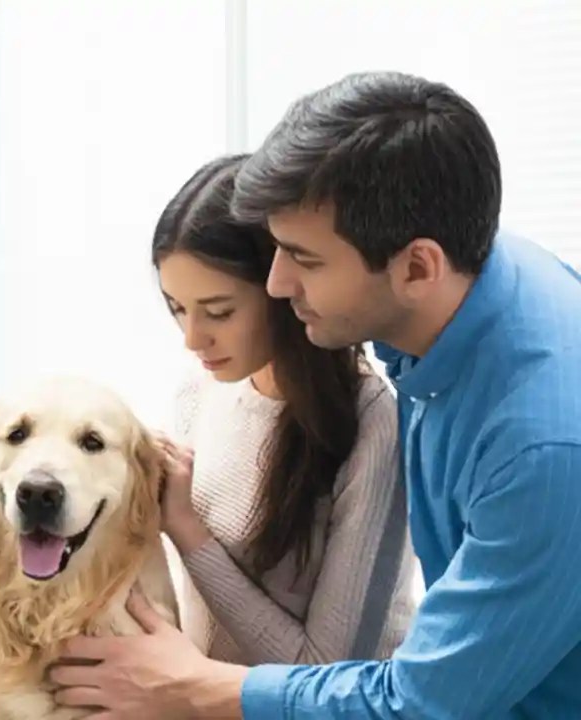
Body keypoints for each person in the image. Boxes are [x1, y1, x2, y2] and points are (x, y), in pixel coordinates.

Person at [51, 70, 581, 719]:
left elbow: (422, 702)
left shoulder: (543, 446)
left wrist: (188, 686)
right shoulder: (463, 284)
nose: (275, 283)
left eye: (304, 259)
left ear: (417, 267)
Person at [150, 152, 416, 668]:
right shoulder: (197, 393)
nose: (192, 338)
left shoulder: (372, 421)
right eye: (177, 308)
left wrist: (184, 528)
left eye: (219, 311)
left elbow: (328, 672)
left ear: (281, 288)